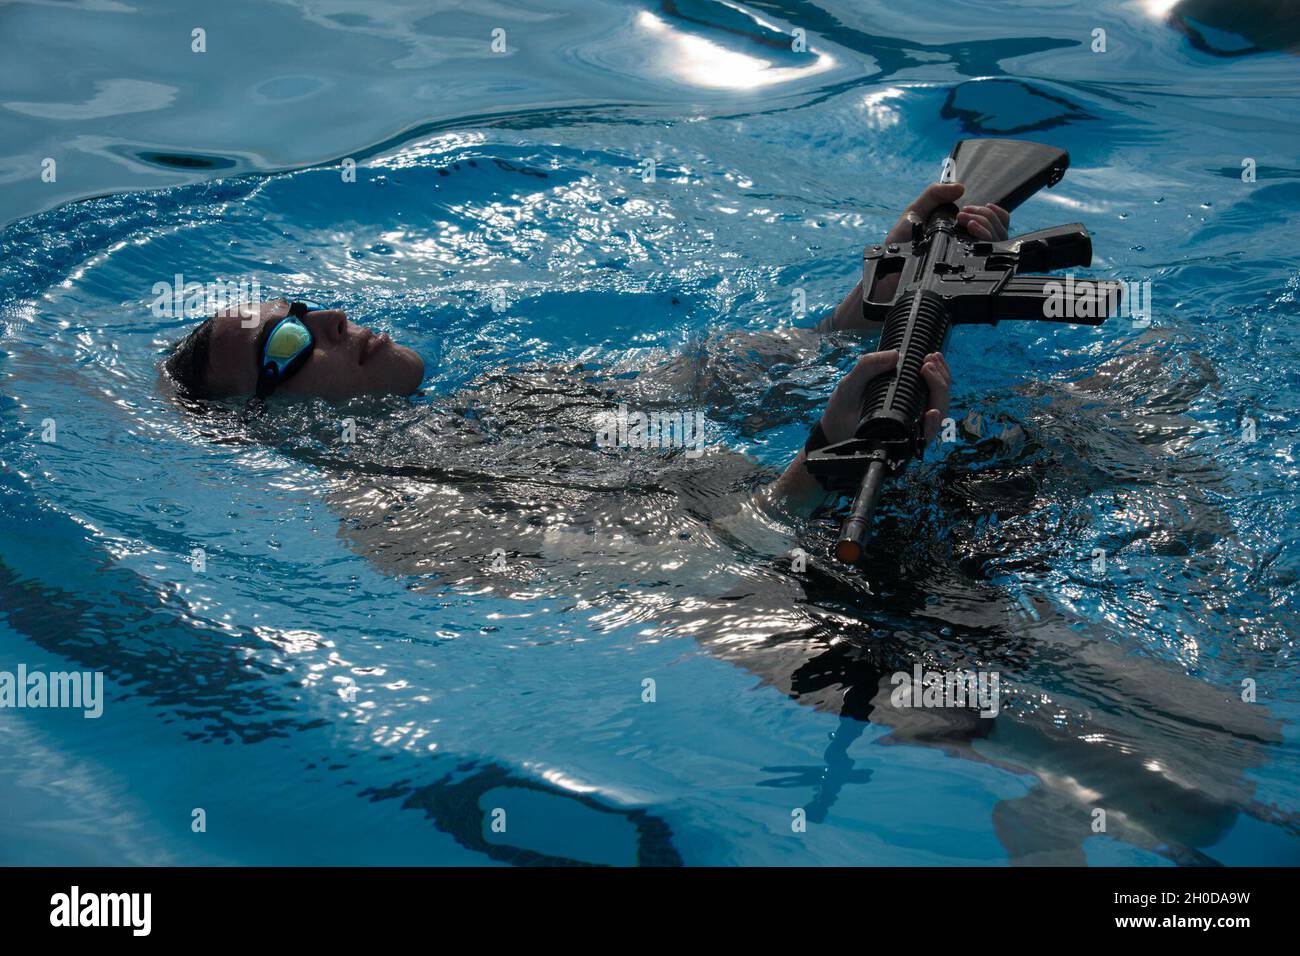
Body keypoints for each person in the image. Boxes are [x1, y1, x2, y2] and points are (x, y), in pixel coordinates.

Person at [161, 182, 1010, 507]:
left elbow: (748, 376)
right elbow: (716, 591)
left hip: (883, 499)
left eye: (306, 309)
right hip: (855, 604)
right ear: (258, 429)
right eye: (286, 345)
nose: (334, 322)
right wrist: (823, 458)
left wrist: (877, 294)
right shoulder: (404, 517)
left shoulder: (512, 396)